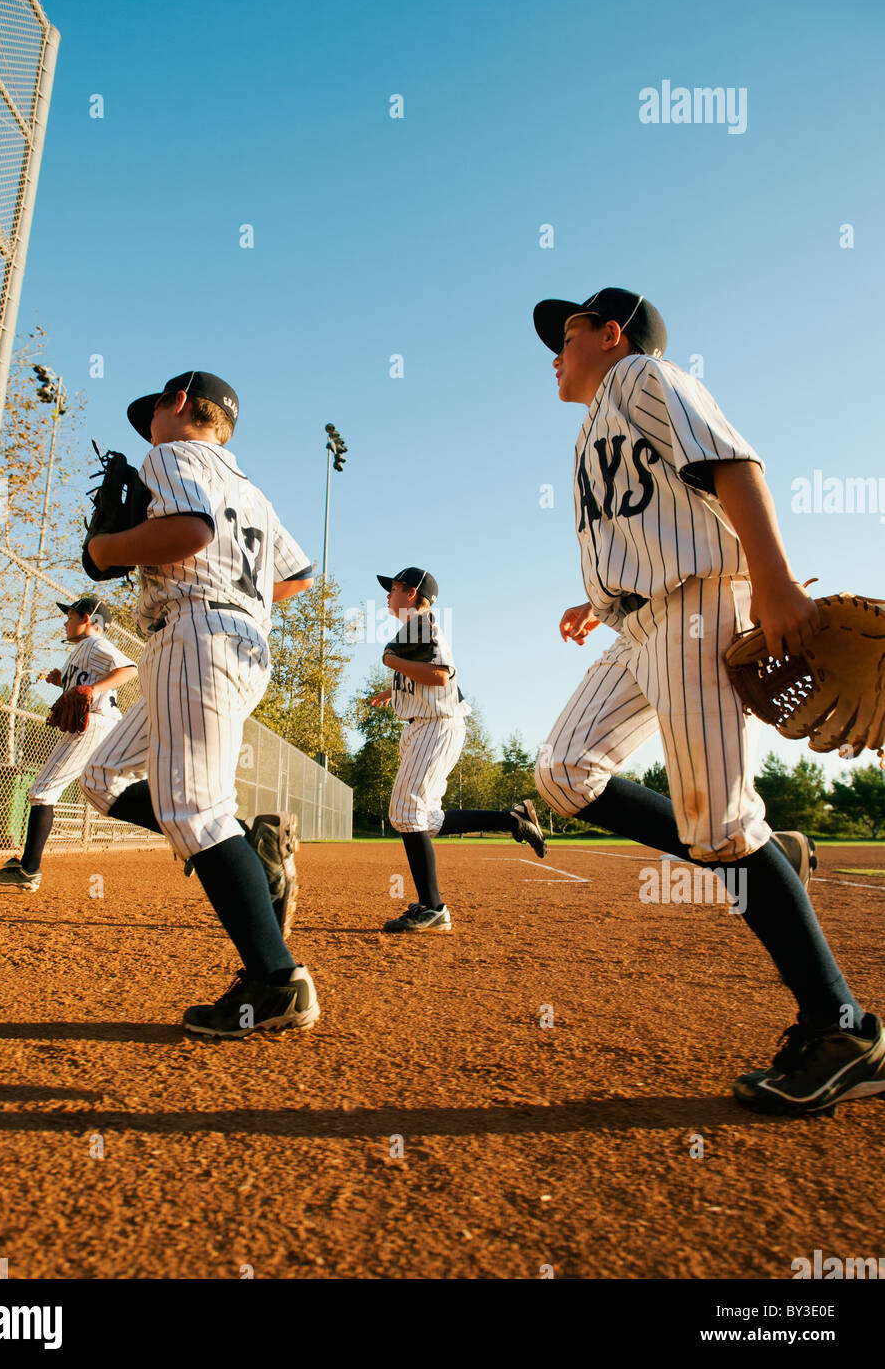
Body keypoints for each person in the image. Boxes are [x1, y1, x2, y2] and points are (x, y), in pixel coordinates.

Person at [530, 286, 884, 1116]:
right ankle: (763, 857)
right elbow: (651, 520)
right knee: (564, 773)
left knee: (720, 827)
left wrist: (774, 583)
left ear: (611, 334)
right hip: (641, 620)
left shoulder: (647, 376)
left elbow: (734, 466)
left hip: (698, 609)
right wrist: (603, 597)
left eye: (568, 333)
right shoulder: (597, 420)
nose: (556, 350)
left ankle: (844, 1030)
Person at [79, 369, 317, 1039]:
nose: (148, 428)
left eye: (152, 411)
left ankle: (276, 981)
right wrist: (246, 604)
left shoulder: (172, 454)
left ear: (179, 403)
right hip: (225, 643)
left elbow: (188, 530)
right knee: (102, 778)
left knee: (192, 810)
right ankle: (249, 850)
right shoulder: (254, 492)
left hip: (195, 636)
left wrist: (108, 549)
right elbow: (296, 576)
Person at [371, 566, 546, 934]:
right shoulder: (414, 627)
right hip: (430, 727)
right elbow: (432, 680)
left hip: (435, 729)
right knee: (424, 818)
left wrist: (390, 661)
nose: (389, 593)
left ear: (414, 594)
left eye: (396, 587)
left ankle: (433, 909)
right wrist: (395, 691)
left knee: (406, 811)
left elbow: (441, 675)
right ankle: (511, 819)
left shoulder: (420, 624)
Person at [0, 597, 137, 893]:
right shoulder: (81, 650)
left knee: (42, 790)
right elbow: (84, 681)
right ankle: (185, 835)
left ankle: (29, 870)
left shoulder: (93, 644)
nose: (66, 621)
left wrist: (91, 688)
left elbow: (129, 669)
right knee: (108, 791)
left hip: (95, 722)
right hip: (102, 724)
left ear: (89, 619)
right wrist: (61, 681)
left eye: (71, 615)